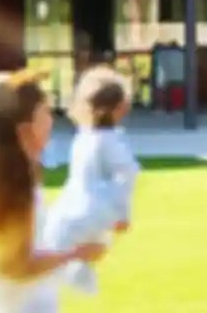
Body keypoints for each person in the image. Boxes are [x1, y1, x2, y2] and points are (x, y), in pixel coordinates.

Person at [0, 70, 107, 312]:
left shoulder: (6, 181)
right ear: (24, 129)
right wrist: (76, 253)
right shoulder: (14, 191)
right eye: (45, 113)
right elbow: (18, 266)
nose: (51, 120)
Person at [42, 66, 139, 294]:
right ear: (121, 107)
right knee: (66, 257)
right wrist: (122, 213)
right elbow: (127, 173)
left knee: (54, 253)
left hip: (79, 210)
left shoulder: (87, 139)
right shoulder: (104, 140)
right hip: (93, 211)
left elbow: (122, 174)